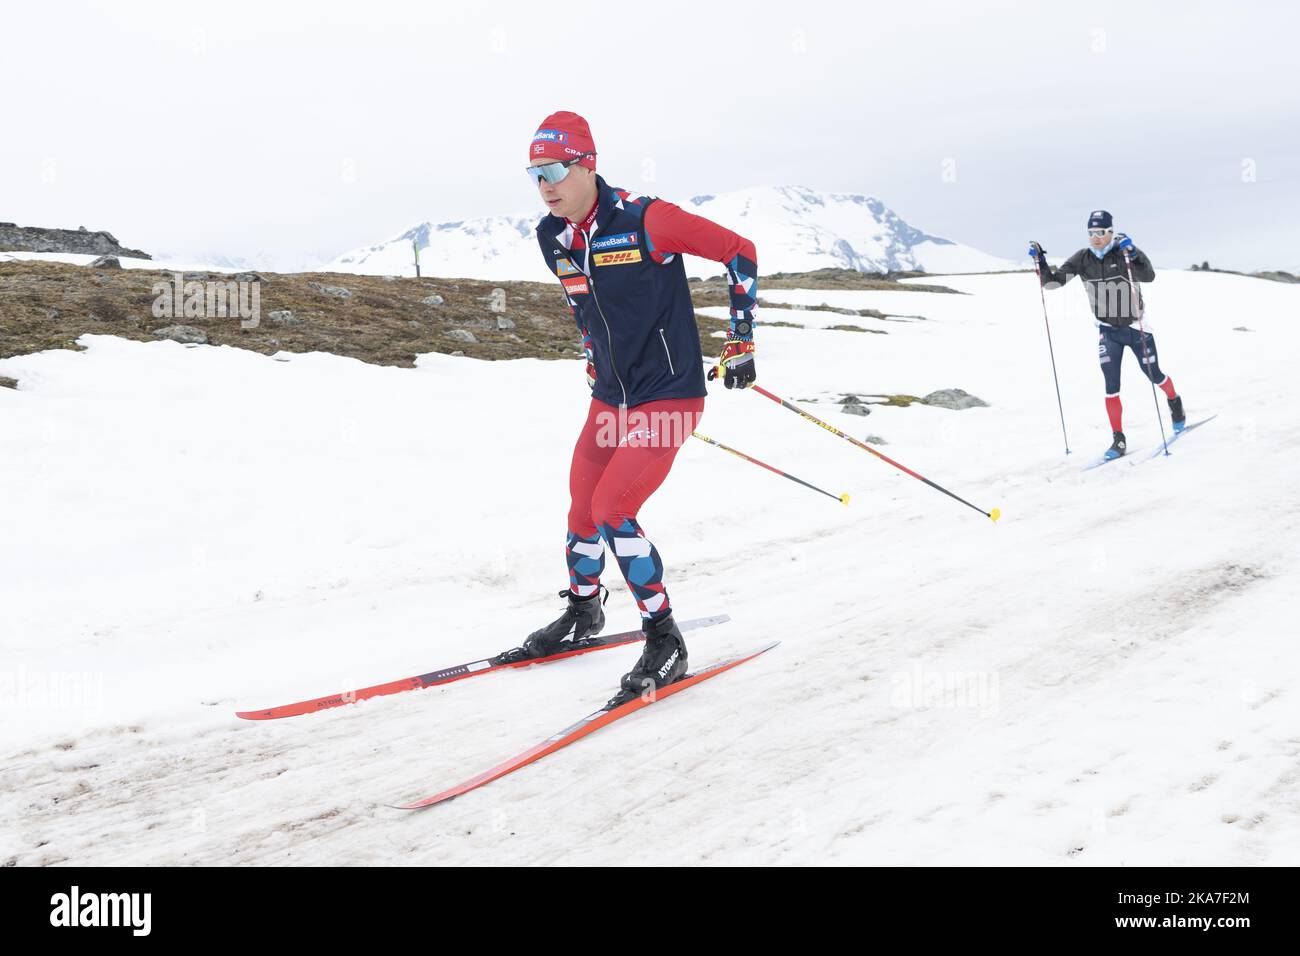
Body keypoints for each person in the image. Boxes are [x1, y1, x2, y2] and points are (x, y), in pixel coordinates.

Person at [493, 111, 758, 704]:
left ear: (588, 164)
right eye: (535, 173)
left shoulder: (647, 218)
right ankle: (585, 613)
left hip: (668, 394)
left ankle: (665, 640)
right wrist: (594, 355)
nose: (545, 184)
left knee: (615, 508)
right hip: (612, 395)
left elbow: (740, 251)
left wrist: (741, 339)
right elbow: (582, 304)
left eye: (556, 169)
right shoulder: (552, 235)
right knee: (582, 508)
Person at [1029, 210, 1186, 459]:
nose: (1095, 238)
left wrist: (1133, 253)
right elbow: (1052, 284)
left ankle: (1174, 401)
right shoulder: (1082, 259)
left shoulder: (1123, 252)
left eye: (1100, 233)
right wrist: (1040, 261)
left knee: (1153, 374)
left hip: (1136, 328)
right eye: (1091, 233)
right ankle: (1118, 440)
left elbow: (1149, 275)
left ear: (1110, 232)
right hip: (1108, 332)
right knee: (1111, 386)